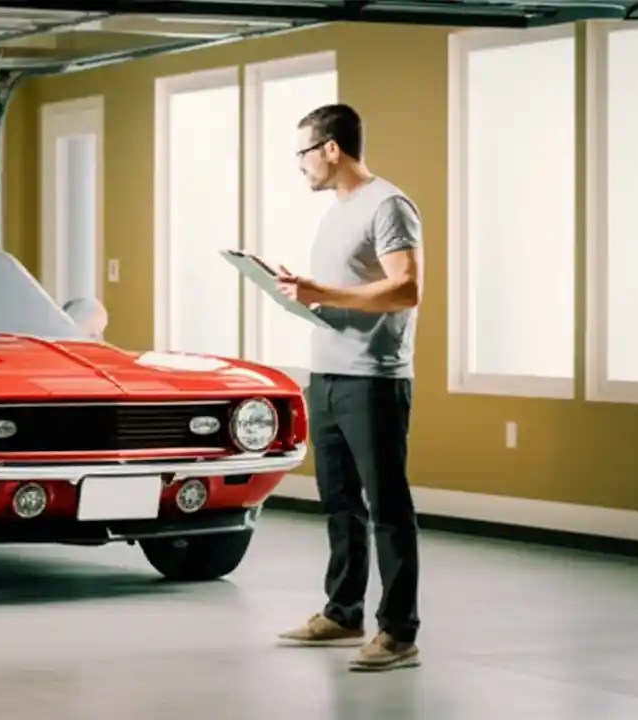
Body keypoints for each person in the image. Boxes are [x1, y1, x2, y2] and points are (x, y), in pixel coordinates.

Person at [272, 103, 424, 673]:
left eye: (304, 154)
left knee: (387, 505)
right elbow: (342, 291)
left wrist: (323, 293)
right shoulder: (336, 212)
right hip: (328, 373)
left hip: (374, 379)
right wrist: (301, 292)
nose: (302, 166)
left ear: (331, 149)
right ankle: (343, 612)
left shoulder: (387, 204)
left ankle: (399, 632)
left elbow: (406, 289)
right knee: (338, 501)